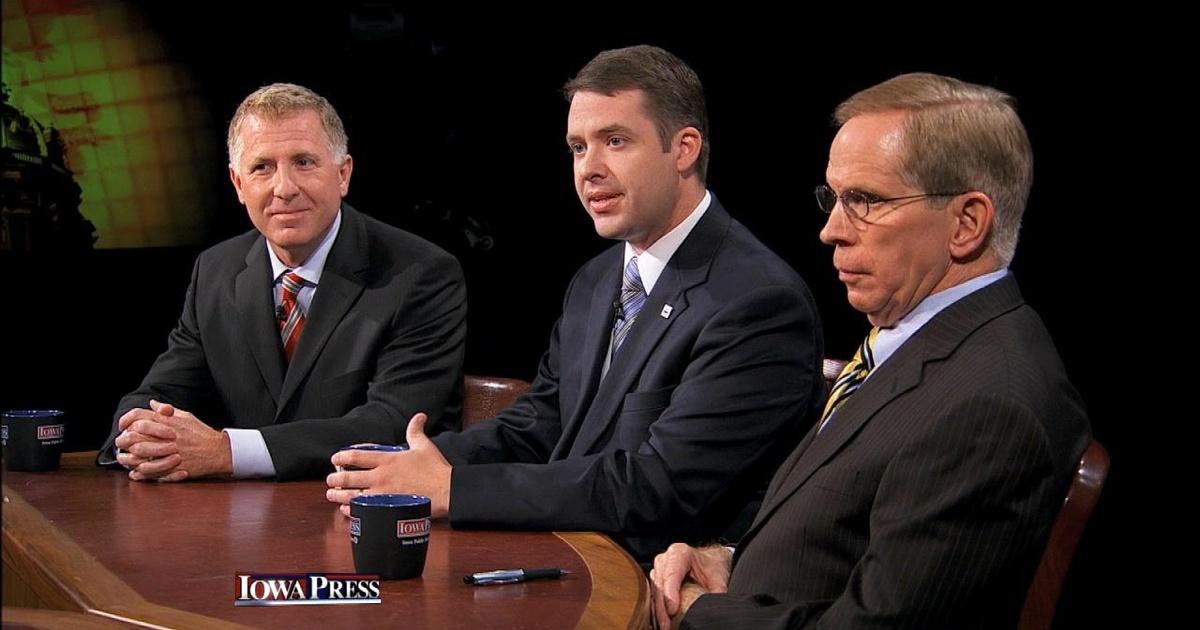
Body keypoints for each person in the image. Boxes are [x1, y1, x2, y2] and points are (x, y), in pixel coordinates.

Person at [325, 46, 824, 561]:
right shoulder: (597, 279)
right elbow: (538, 428)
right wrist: (414, 466)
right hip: (567, 552)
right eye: (578, 148)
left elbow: (658, 488)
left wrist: (455, 489)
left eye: (614, 141)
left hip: (660, 582)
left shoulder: (757, 301)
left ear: (685, 148)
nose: (590, 169)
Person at [650, 72, 1092, 629]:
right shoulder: (916, 340)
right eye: (832, 198)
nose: (830, 231)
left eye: (864, 200)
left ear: (967, 223)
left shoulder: (988, 405)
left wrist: (702, 610)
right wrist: (730, 562)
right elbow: (843, 541)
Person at [99, 83, 466, 482]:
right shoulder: (217, 271)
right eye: (262, 167)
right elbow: (159, 394)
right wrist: (140, 434)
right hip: (238, 523)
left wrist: (228, 452)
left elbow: (392, 426)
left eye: (304, 162)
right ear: (239, 185)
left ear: (343, 175)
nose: (284, 188)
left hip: (363, 515)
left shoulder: (420, 275)